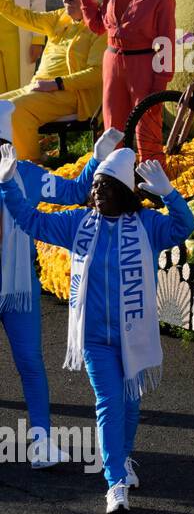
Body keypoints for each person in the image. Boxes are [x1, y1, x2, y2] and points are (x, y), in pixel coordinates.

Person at [0, 145, 194, 514]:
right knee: (108, 403)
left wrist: (169, 193)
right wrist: (10, 184)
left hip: (133, 336)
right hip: (93, 339)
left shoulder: (149, 225)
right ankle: (115, 483)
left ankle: (122, 459)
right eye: (94, 187)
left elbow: (185, 227)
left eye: (104, 187)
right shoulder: (78, 223)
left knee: (131, 403)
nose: (96, 193)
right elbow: (32, 221)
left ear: (122, 192)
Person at [0, 106, 120, 467]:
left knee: (31, 364)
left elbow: (73, 191)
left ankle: (40, 443)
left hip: (19, 293)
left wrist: (97, 156)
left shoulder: (26, 176)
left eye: (4, 144)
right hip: (18, 290)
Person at [77, 0, 175, 166]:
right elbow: (98, 26)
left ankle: (153, 183)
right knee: (112, 126)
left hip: (142, 65)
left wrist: (161, 81)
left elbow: (166, 41)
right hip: (113, 62)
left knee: (146, 126)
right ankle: (114, 180)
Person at [0, 0, 107, 161]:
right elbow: (26, 17)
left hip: (71, 94)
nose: (65, 0)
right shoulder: (60, 17)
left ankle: (31, 171)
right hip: (40, 88)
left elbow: (96, 73)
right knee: (1, 107)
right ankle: (6, 163)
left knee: (16, 111)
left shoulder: (100, 27)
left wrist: (56, 83)